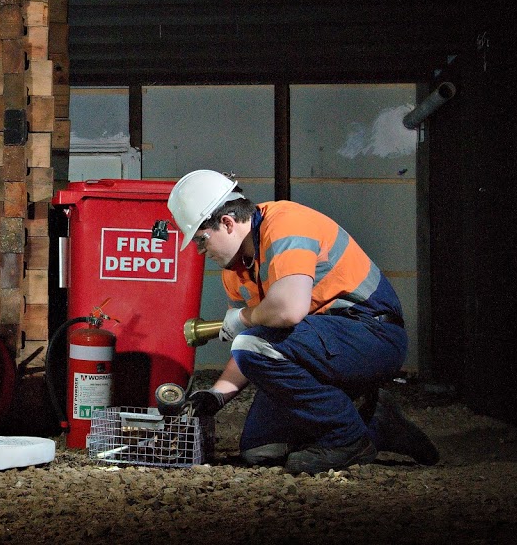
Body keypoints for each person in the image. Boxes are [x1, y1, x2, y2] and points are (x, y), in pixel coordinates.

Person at [167, 170, 438, 474]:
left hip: (372, 334)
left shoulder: (286, 224)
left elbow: (287, 312)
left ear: (227, 223)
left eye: (202, 240)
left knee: (251, 341)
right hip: (320, 346)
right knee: (260, 449)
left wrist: (242, 319)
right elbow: (259, 344)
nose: (201, 251)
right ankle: (376, 424)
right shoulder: (236, 270)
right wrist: (216, 395)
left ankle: (346, 439)